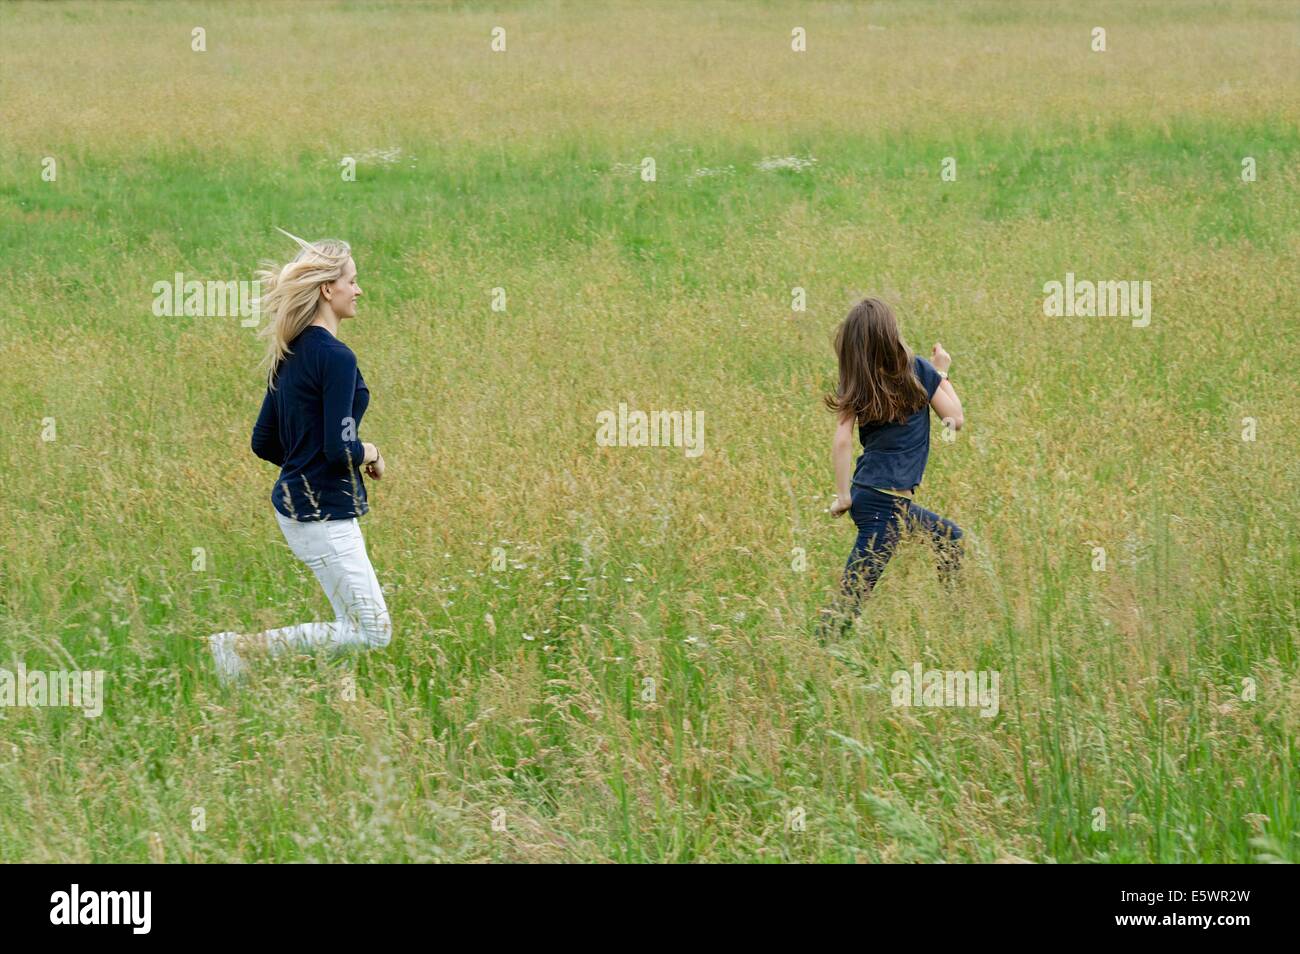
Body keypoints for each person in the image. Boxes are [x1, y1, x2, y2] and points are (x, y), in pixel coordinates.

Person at [209, 231, 391, 683]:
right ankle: (239, 648)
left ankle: (334, 688)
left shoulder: (289, 349)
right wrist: (370, 451)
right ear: (328, 289)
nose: (359, 289)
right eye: (352, 280)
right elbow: (339, 449)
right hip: (325, 516)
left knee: (353, 622)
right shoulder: (337, 358)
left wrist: (301, 467)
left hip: (295, 510)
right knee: (374, 632)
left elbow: (264, 442)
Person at [818, 297, 966, 640]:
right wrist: (942, 373)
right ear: (892, 335)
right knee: (850, 602)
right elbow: (954, 419)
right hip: (883, 507)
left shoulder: (859, 383)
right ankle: (818, 651)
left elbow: (842, 440)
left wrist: (843, 496)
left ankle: (956, 627)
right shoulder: (920, 371)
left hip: (878, 500)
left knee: (950, 538)